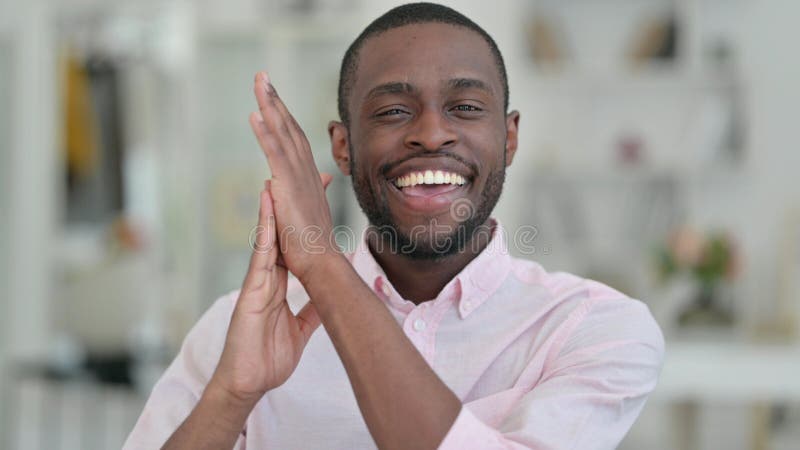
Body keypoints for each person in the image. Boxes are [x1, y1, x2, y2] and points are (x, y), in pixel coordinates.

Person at [123, 3, 664, 449]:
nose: (431, 133)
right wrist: (230, 396)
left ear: (510, 137)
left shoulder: (591, 328)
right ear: (342, 146)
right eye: (392, 112)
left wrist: (320, 264)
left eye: (467, 106)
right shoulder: (237, 330)